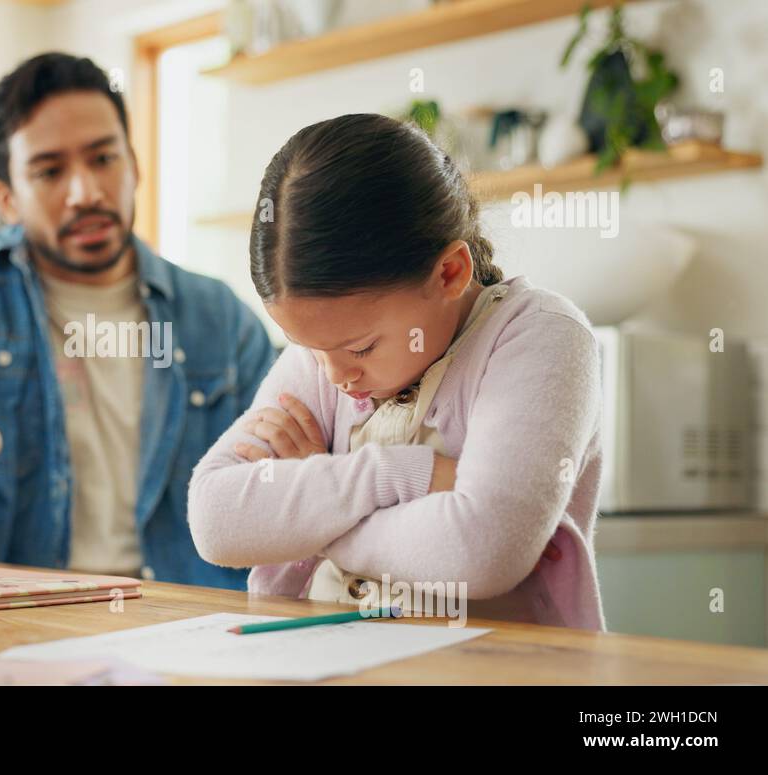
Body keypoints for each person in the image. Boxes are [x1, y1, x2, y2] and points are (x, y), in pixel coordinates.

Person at [0, 52, 275, 588]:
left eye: (103, 159)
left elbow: (277, 490)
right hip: (12, 622)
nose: (87, 193)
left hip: (187, 618)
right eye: (50, 172)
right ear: (6, 199)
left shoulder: (219, 316)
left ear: (135, 165)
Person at [188, 113, 603, 628]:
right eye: (310, 350)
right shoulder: (329, 344)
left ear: (450, 273)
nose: (336, 377)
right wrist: (407, 475)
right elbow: (215, 519)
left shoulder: (540, 336)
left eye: (361, 349)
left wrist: (306, 514)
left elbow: (482, 551)